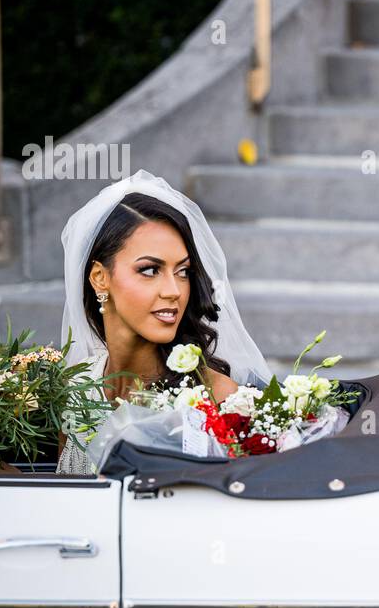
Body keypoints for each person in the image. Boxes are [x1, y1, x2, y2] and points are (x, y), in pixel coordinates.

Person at [56, 170, 270, 474]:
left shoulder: (220, 396)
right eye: (149, 270)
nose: (174, 291)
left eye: (182, 271)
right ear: (100, 278)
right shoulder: (74, 391)